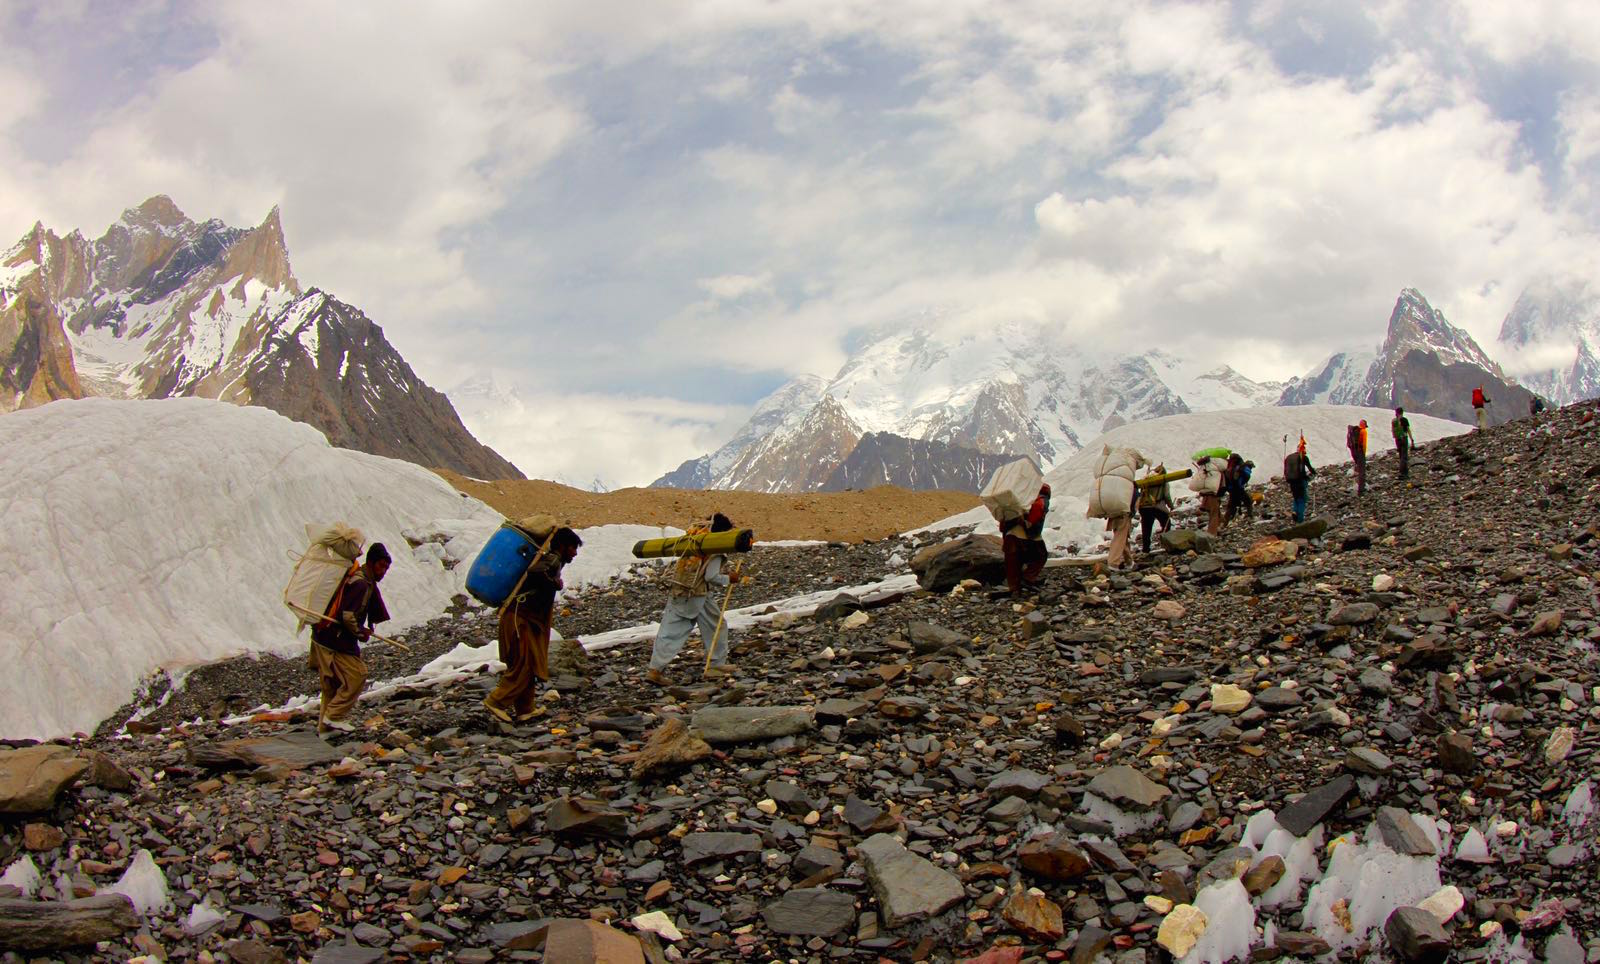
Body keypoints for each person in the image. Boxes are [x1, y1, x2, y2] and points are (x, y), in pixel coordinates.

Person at [484, 526, 582, 723]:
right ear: (562, 546)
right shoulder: (553, 559)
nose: (575, 553)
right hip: (521, 620)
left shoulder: (554, 560)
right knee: (525, 664)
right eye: (572, 547)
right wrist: (554, 583)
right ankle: (496, 701)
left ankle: (525, 709)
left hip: (522, 619)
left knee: (529, 663)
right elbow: (536, 573)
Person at [648, 513, 746, 683]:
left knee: (679, 629)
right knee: (679, 631)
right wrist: (729, 578)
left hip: (682, 589)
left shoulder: (693, 541)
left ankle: (657, 668)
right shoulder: (714, 548)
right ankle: (657, 671)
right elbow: (711, 576)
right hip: (696, 594)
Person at [309, 543, 391, 734]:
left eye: (386, 567)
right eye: (381, 566)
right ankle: (334, 716)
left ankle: (324, 731)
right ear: (371, 563)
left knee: (332, 685)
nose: (383, 571)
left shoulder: (359, 580)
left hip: (322, 635)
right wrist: (360, 632)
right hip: (335, 640)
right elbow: (347, 615)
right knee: (358, 674)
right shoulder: (361, 584)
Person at [1002, 485, 1051, 592]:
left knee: (1013, 562)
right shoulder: (1040, 500)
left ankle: (1014, 587)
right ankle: (1027, 579)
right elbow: (1035, 518)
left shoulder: (1017, 502)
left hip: (1009, 535)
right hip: (1023, 534)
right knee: (1041, 556)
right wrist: (1030, 527)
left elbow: (1003, 522)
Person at [1137, 465, 1174, 553]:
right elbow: (1166, 496)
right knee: (1166, 524)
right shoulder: (1163, 481)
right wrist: (1171, 506)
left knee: (1146, 528)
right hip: (1157, 506)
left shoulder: (1145, 481)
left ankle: (1146, 548)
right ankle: (1167, 544)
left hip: (1144, 508)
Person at [1283, 437, 1315, 523]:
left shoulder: (1289, 457)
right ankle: (1300, 518)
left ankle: (1295, 511)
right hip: (1300, 481)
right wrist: (1314, 473)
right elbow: (1310, 468)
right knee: (1302, 499)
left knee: (1296, 497)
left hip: (1291, 481)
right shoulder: (1303, 457)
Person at [1222, 454, 1254, 527]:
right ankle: (1250, 516)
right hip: (1238, 489)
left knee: (1231, 506)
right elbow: (1244, 479)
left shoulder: (1232, 467)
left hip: (1231, 489)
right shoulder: (1245, 469)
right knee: (1248, 501)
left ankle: (1225, 523)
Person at [1195, 456, 1223, 535]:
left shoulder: (1201, 471)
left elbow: (1197, 485)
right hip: (1212, 495)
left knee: (1213, 513)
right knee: (1214, 514)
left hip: (1205, 496)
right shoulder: (1214, 470)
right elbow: (1218, 483)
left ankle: (1219, 526)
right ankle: (1212, 533)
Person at [1347, 420, 1368, 495]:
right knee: (1362, 470)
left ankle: (1359, 486)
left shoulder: (1355, 431)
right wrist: (1364, 453)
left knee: (1359, 469)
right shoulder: (1363, 431)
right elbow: (1364, 444)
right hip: (1360, 452)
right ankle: (1361, 490)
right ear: (1364, 425)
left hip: (1355, 452)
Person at [1392, 407, 1414, 479]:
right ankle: (1403, 473)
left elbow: (1393, 430)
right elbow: (1408, 430)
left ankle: (1403, 472)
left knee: (1401, 455)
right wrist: (1411, 439)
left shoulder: (1394, 421)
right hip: (1404, 438)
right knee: (1404, 456)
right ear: (1402, 412)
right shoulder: (1404, 420)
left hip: (1397, 440)